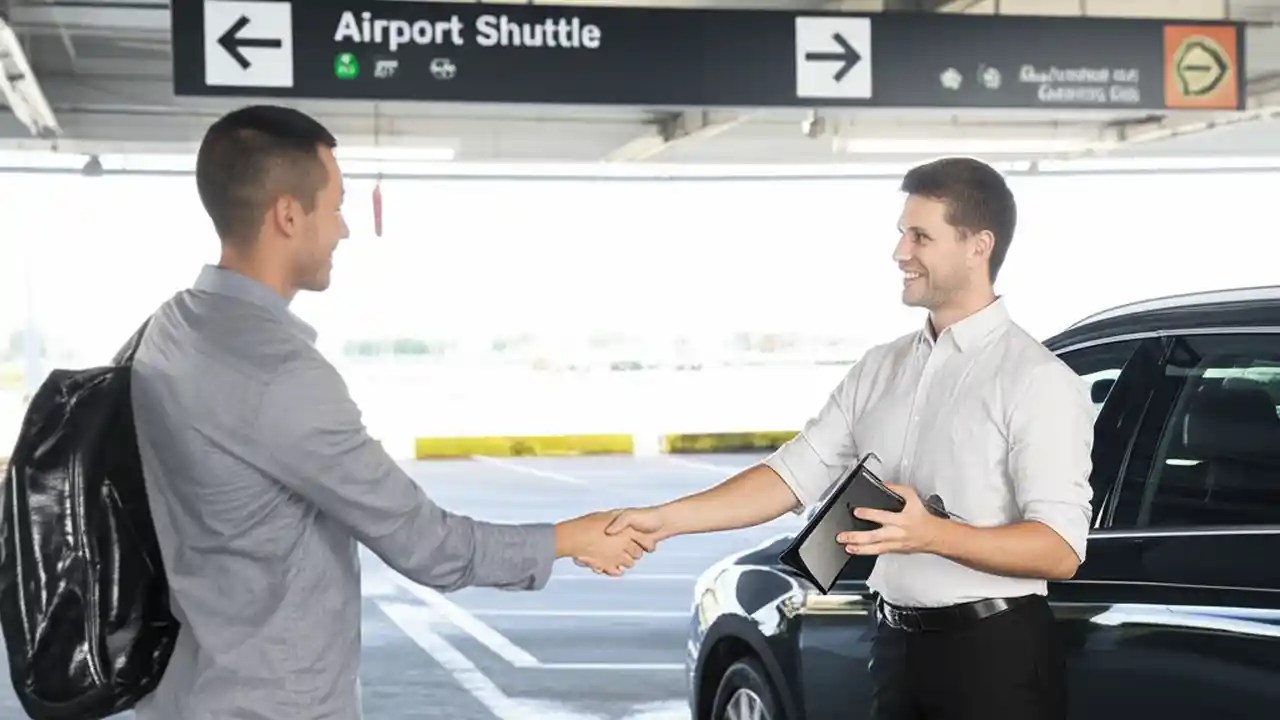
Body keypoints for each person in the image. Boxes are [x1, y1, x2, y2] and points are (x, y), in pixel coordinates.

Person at [128, 104, 655, 719]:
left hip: (183, 695)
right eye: (337, 206)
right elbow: (426, 544)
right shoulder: (281, 376)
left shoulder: (167, 329)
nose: (344, 230)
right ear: (289, 216)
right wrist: (570, 538)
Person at [606, 157, 1094, 719]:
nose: (900, 253)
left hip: (996, 655)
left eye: (920, 237)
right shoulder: (878, 369)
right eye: (901, 234)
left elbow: (1058, 549)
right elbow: (790, 476)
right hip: (893, 646)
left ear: (977, 246)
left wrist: (931, 535)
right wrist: (665, 521)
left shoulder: (1036, 380)